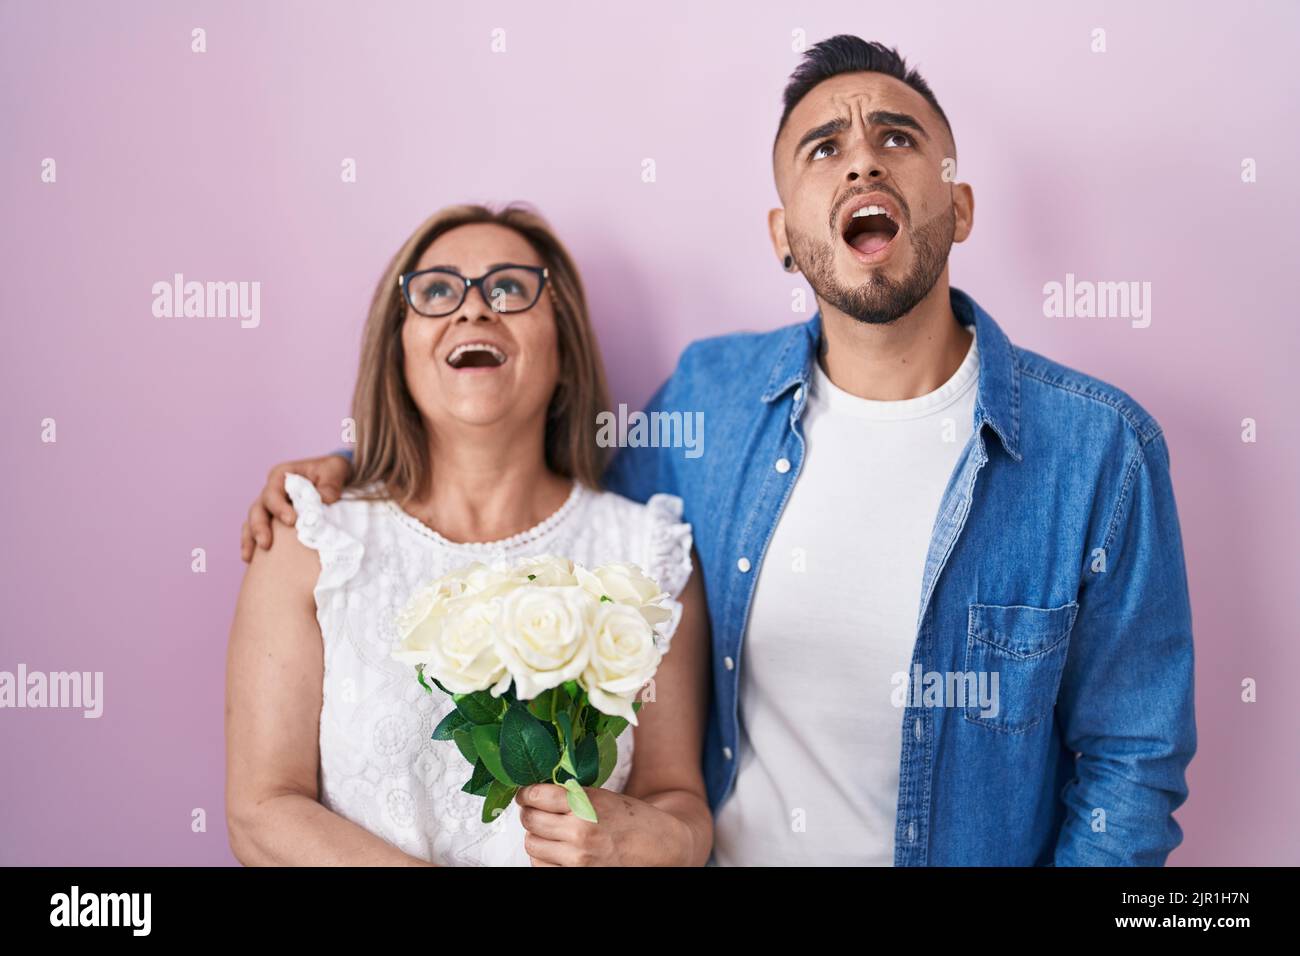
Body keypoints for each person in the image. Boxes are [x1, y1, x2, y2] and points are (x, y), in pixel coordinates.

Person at [244, 37, 1196, 866]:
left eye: (898, 139)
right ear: (784, 237)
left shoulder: (1098, 452)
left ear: (962, 204)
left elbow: (1132, 765)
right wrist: (351, 474)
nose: (862, 162)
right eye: (823, 148)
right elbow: (524, 505)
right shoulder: (712, 400)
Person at [226, 204, 713, 866]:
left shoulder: (649, 554)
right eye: (436, 291)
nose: (474, 309)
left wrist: (668, 839)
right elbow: (261, 812)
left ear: (564, 348)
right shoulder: (308, 540)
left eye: (511, 287)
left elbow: (678, 799)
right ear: (399, 349)